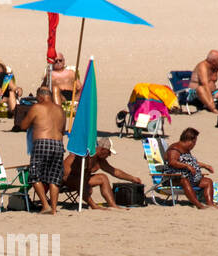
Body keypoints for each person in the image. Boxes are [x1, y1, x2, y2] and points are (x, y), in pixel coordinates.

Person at [19, 86, 67, 214]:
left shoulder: (37, 107)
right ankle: (54, 209)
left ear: (40, 96)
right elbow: (62, 130)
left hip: (42, 142)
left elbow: (23, 125)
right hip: (58, 144)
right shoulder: (61, 110)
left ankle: (45, 205)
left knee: (34, 175)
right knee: (54, 178)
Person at [61, 145, 141, 210]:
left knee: (103, 177)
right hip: (67, 180)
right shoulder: (84, 155)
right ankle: (93, 205)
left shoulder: (100, 160)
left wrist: (132, 178)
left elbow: (115, 172)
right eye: (108, 152)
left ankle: (112, 205)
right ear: (102, 149)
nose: (109, 155)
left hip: (83, 181)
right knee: (79, 179)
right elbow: (65, 173)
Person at [162, 127, 215, 209]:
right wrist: (187, 166)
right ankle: (198, 204)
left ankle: (210, 203)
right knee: (184, 181)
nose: (194, 145)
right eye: (195, 142)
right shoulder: (174, 149)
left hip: (191, 178)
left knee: (208, 181)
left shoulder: (186, 149)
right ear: (190, 141)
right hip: (173, 179)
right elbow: (172, 162)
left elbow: (192, 163)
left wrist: (206, 166)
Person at [189, 50, 218, 114]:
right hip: (196, 94)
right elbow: (205, 84)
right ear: (213, 61)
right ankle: (214, 110)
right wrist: (211, 101)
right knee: (200, 89)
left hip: (212, 93)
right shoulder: (202, 66)